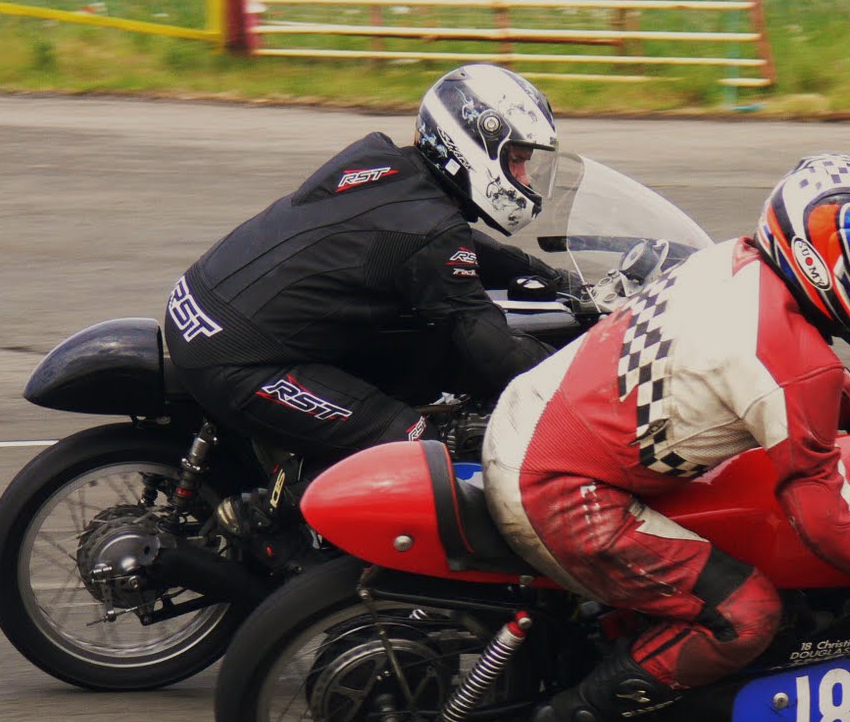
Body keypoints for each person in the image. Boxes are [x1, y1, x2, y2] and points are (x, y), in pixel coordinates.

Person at [481, 152, 850, 722]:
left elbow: (802, 381)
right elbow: (822, 514)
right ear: (825, 261)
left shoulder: (739, 264)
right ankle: (579, 719)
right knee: (747, 613)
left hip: (534, 417)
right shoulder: (791, 357)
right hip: (559, 489)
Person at [163, 64, 565, 535]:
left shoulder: (383, 165)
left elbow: (461, 246)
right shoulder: (431, 231)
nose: (523, 176)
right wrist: (563, 380)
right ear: (474, 144)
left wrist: (545, 274)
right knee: (413, 446)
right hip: (240, 361)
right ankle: (267, 523)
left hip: (199, 309)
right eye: (516, 160)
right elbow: (483, 338)